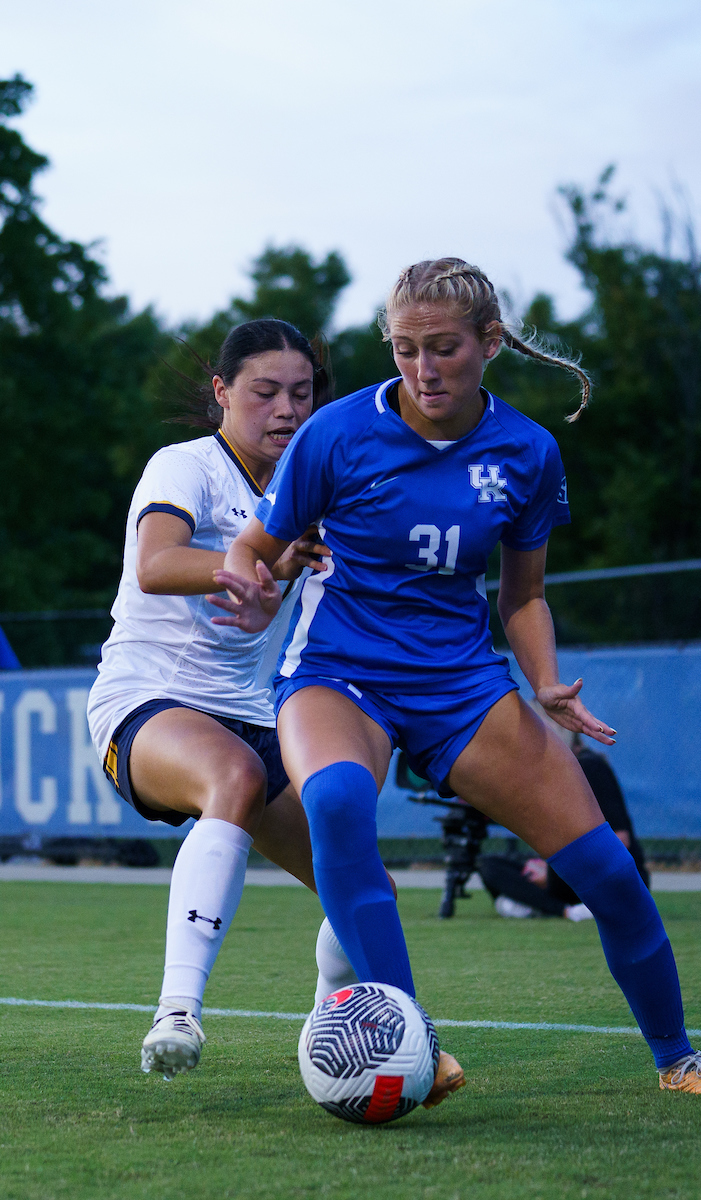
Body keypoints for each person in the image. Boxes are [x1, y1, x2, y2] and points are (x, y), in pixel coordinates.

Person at [212, 260, 701, 1097]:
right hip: (337, 672)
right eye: (404, 349)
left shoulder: (528, 451)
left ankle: (678, 1059)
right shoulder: (335, 434)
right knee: (338, 804)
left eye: (444, 348)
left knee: (606, 870)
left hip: (462, 683)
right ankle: (413, 1045)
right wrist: (252, 586)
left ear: (490, 342)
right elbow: (257, 546)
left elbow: (523, 596)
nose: (423, 369)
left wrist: (545, 681)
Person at [87, 318, 358, 1082]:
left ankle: (336, 1035)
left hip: (250, 715)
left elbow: (267, 617)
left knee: (362, 887)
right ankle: (176, 1012)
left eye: (301, 393)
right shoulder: (186, 465)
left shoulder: (309, 494)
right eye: (266, 392)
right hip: (146, 700)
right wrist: (253, 565)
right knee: (234, 776)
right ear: (222, 393)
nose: (287, 409)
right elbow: (156, 564)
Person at [479, 714, 649, 919]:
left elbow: (620, 841)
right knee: (490, 866)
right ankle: (565, 909)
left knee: (540, 879)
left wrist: (556, 871)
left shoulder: (591, 767)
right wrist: (547, 868)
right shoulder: (553, 774)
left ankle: (558, 909)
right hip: (569, 871)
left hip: (609, 874)